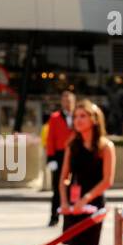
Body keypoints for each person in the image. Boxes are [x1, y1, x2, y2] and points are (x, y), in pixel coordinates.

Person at [56, 100, 114, 245]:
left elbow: (108, 180)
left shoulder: (105, 147)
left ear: (93, 119)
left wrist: (87, 198)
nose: (77, 120)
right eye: (76, 116)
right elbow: (64, 177)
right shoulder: (73, 144)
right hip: (74, 205)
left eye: (82, 116)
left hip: (93, 205)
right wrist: (64, 201)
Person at [45, 90, 75, 226]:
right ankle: (54, 216)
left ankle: (72, 216)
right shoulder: (55, 117)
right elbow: (50, 138)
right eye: (65, 101)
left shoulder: (78, 116)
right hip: (59, 155)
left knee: (74, 186)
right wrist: (50, 158)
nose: (67, 103)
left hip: (75, 154)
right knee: (57, 187)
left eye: (69, 101)